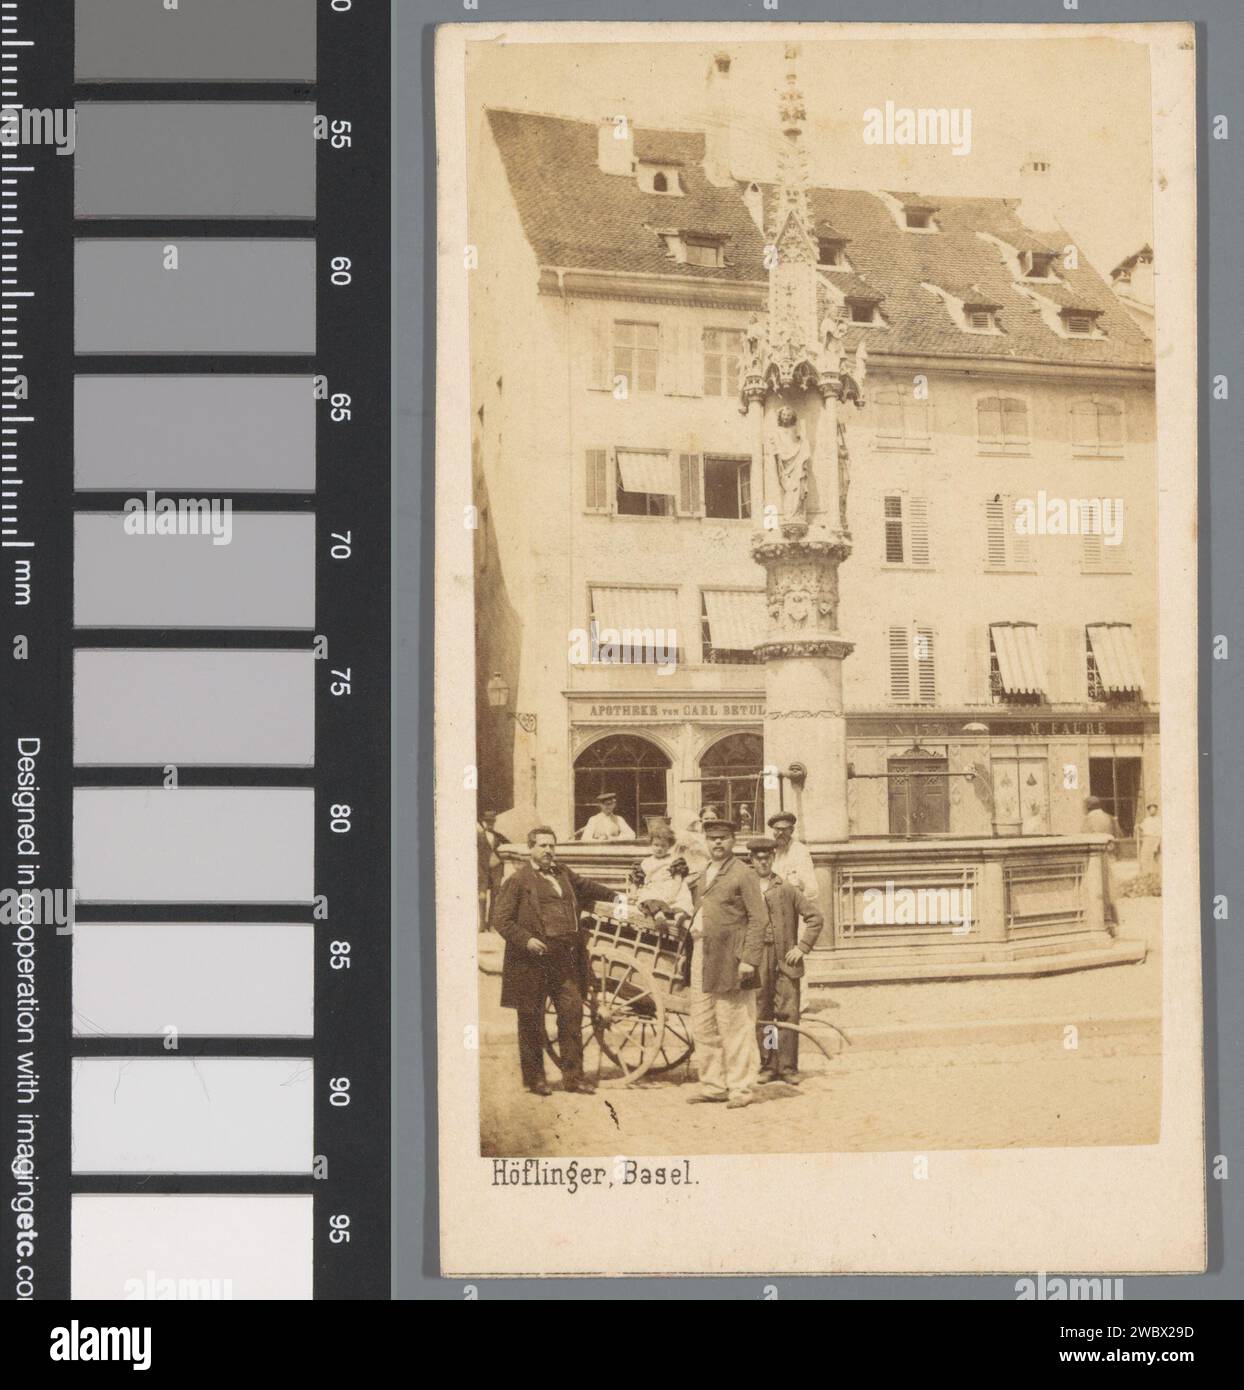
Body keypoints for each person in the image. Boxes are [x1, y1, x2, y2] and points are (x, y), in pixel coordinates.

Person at [492, 826, 615, 1096]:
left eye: (552, 846)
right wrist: (526, 940)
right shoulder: (518, 880)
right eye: (543, 846)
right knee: (531, 1020)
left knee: (572, 1013)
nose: (548, 851)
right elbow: (501, 920)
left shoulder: (563, 873)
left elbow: (587, 887)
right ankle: (535, 1080)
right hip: (531, 961)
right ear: (531, 848)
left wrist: (616, 896)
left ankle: (574, 1077)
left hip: (564, 959)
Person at [685, 818, 768, 1109]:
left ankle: (741, 1089)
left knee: (735, 1026)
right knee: (703, 1024)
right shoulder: (704, 872)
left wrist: (749, 959)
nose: (717, 843)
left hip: (732, 959)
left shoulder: (743, 873)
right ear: (705, 842)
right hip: (702, 953)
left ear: (734, 840)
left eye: (723, 838)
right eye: (712, 839)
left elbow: (759, 919)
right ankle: (713, 1085)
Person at [747, 837, 824, 1085]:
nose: (763, 862)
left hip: (786, 961)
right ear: (751, 860)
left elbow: (814, 917)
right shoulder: (745, 889)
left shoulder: (787, 888)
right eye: (758, 859)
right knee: (764, 1014)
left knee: (788, 1013)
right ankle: (769, 1065)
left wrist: (802, 947)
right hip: (758, 962)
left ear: (773, 858)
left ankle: (789, 1067)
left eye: (767, 858)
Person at [630, 821, 693, 921]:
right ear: (651, 844)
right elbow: (636, 881)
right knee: (649, 898)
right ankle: (659, 916)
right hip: (654, 888)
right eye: (656, 845)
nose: (659, 848)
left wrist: (673, 894)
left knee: (681, 898)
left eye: (663, 846)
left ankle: (679, 915)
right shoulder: (646, 862)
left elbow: (678, 879)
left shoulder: (674, 860)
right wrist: (632, 894)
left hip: (671, 887)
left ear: (669, 846)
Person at [1082, 796, 1120, 927]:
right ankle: (1111, 920)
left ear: (1088, 807)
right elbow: (1117, 835)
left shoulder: (1089, 819)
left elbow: (1083, 837)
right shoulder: (1108, 817)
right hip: (1108, 855)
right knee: (1108, 888)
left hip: (1095, 858)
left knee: (1095, 889)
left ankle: (1099, 920)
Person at [768, 812, 819, 902]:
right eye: (777, 829)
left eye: (784, 830)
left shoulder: (800, 851)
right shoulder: (770, 851)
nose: (780, 833)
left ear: (791, 830)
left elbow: (812, 889)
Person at [476, 810, 503, 931]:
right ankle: (482, 924)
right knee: (482, 897)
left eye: (492, 821)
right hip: (482, 869)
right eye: (488, 821)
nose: (490, 824)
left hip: (497, 869)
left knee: (495, 897)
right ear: (483, 822)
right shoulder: (478, 836)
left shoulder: (498, 835)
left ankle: (491, 924)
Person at [1137, 801, 1162, 883]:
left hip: (1155, 839)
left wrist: (1156, 845)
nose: (1152, 811)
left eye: (1153, 809)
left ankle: (1154, 877)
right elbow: (1141, 828)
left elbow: (1159, 833)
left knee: (1153, 858)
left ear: (1156, 810)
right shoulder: (1146, 820)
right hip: (1146, 840)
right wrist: (1137, 826)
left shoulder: (1159, 820)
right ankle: (1145, 875)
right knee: (1144, 857)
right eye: (1150, 809)